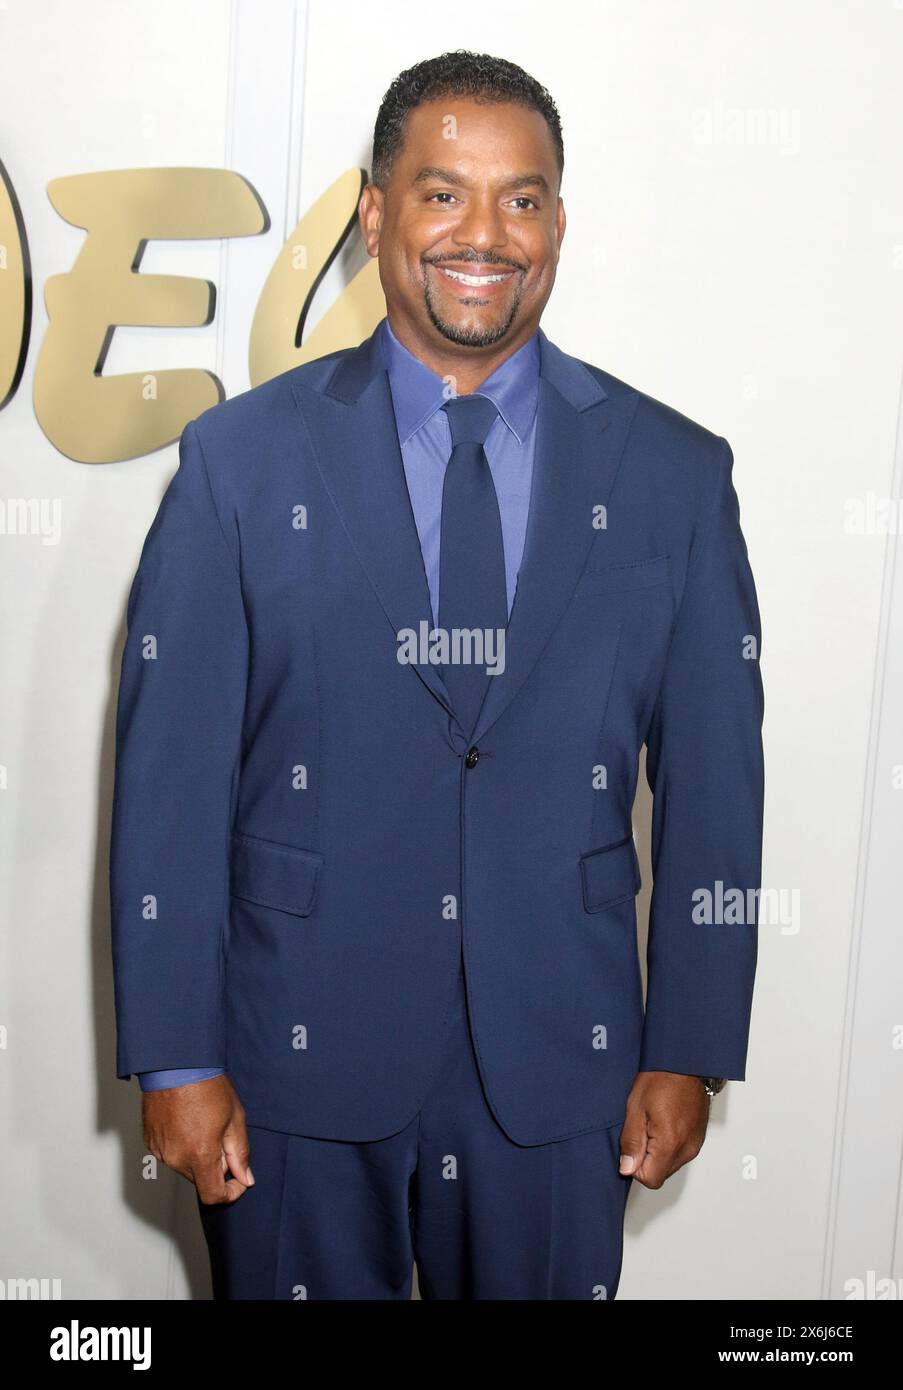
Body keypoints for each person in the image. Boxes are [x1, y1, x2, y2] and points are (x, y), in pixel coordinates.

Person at [110, 49, 764, 1301]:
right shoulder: (238, 465)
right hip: (291, 1064)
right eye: (443, 192)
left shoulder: (676, 473)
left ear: (558, 222)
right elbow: (169, 790)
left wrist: (690, 1043)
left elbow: (717, 792)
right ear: (375, 215)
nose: (485, 233)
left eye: (522, 198)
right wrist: (176, 1056)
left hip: (560, 1071)